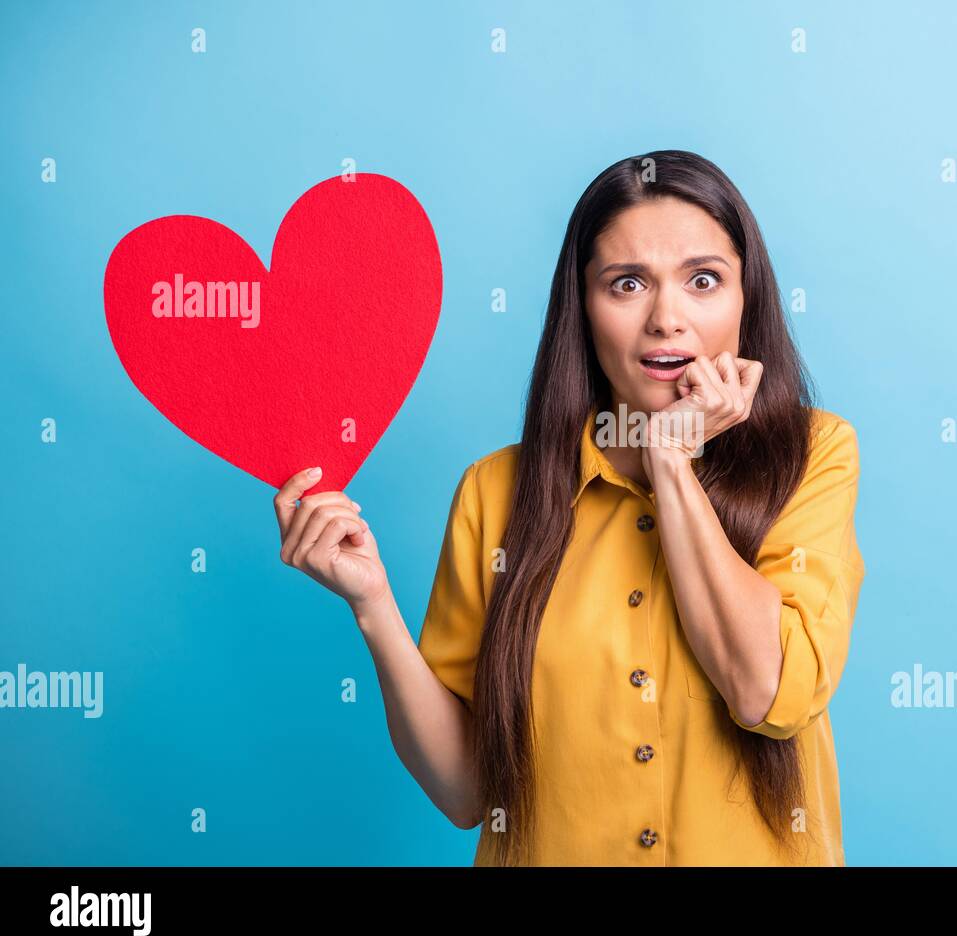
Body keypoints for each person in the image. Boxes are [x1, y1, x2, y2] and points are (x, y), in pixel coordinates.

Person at [273, 149, 865, 865]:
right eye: (626, 285)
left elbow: (764, 692)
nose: (666, 319)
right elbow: (468, 791)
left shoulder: (815, 455)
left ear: (747, 301)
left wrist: (669, 460)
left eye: (703, 281)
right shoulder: (495, 493)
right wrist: (371, 604)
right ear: (582, 308)